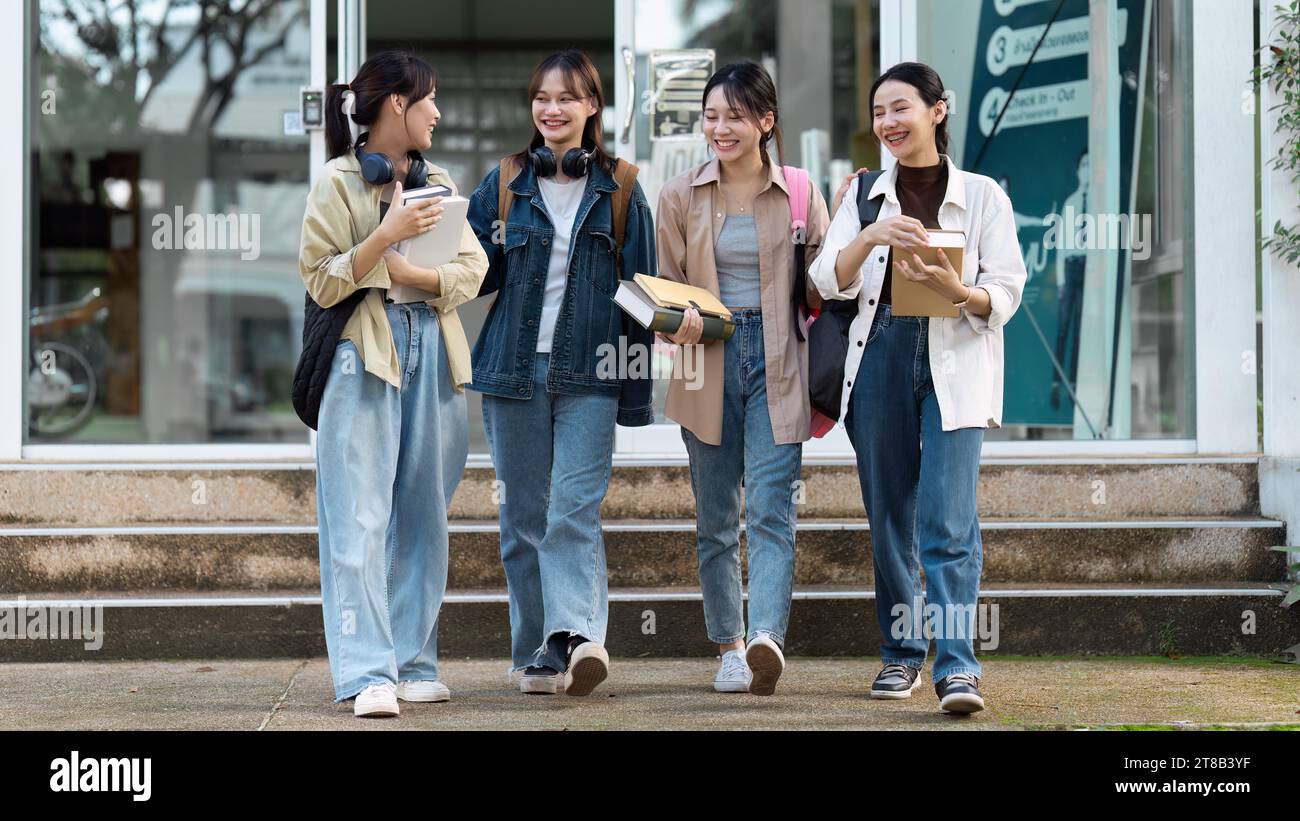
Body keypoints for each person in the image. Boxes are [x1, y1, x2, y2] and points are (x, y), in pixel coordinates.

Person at [808, 61, 1027, 714]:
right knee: (890, 518)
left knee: (949, 519)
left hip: (956, 361)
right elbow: (825, 278)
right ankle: (902, 653)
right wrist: (872, 231)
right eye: (878, 113)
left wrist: (964, 292)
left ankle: (958, 667)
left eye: (900, 108)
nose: (888, 123)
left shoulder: (984, 194)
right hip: (878, 359)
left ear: (938, 110)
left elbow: (1009, 287)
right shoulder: (864, 193)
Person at [299, 50, 488, 718]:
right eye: (430, 99)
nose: (438, 112)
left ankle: (412, 662)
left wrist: (420, 276)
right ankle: (366, 672)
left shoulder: (439, 182)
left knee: (423, 515)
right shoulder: (336, 183)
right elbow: (322, 279)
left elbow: (474, 268)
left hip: (433, 346)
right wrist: (387, 238)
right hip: (363, 353)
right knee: (358, 518)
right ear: (398, 107)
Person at [465, 50, 656, 697]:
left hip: (591, 374)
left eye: (567, 98)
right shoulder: (503, 183)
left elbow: (641, 290)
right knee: (523, 516)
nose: (552, 110)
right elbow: (470, 274)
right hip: (511, 372)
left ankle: (572, 636)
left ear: (592, 107)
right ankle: (532, 652)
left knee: (573, 509)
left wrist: (656, 356)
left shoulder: (622, 187)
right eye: (542, 98)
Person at [655, 62, 829, 695]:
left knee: (773, 509)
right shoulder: (677, 195)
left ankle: (767, 640)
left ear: (766, 121)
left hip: (780, 359)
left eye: (734, 116)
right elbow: (662, 294)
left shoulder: (802, 192)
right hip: (707, 358)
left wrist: (851, 245)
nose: (720, 128)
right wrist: (679, 321)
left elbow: (823, 289)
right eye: (711, 116)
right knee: (717, 516)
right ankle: (729, 644)